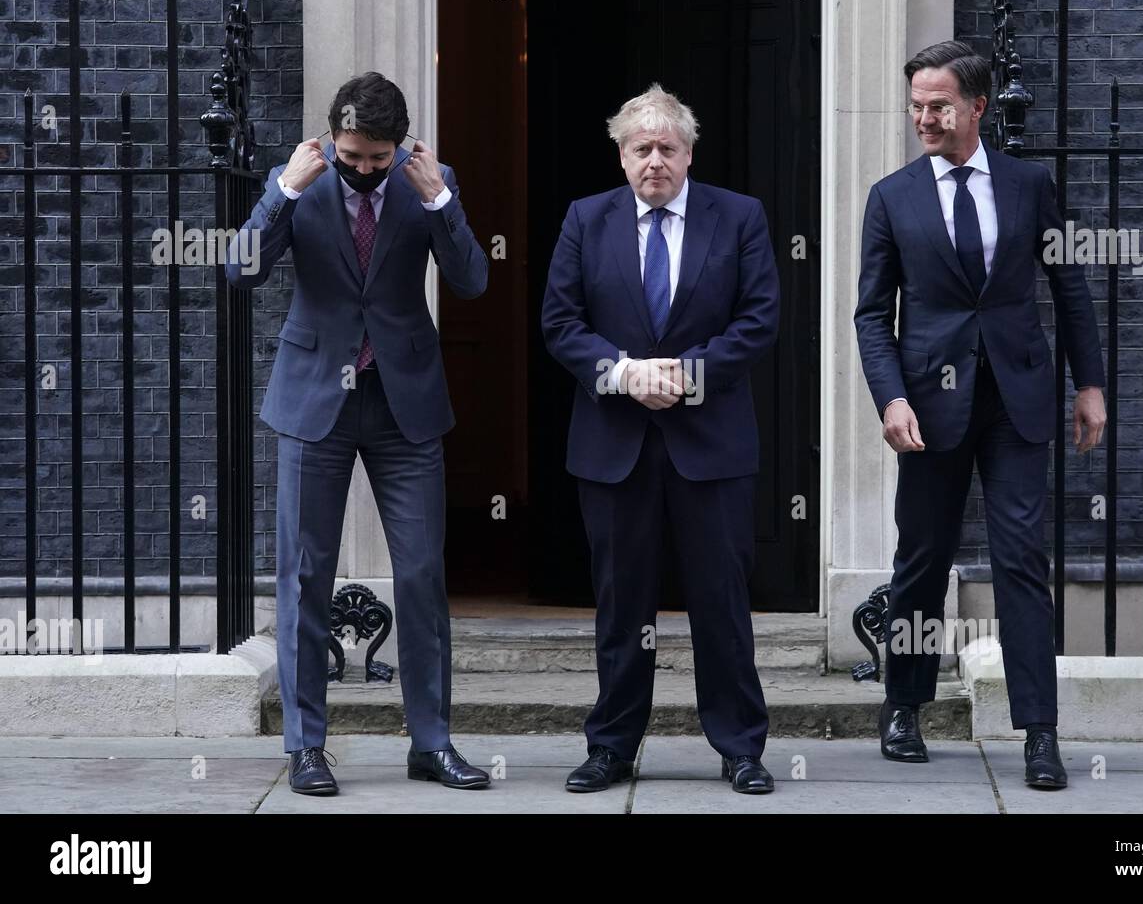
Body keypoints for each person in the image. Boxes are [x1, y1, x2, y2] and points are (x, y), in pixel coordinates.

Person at [224, 72, 491, 795]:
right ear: (331, 139)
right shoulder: (298, 179)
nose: (364, 170)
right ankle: (307, 745)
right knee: (305, 576)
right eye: (352, 155)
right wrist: (281, 193)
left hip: (403, 402)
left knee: (422, 577)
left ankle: (431, 743)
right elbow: (239, 269)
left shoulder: (428, 182)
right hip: (317, 402)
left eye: (377, 158)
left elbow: (471, 280)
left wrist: (440, 197)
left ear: (398, 146)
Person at [855, 41, 1106, 789]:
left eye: (937, 105)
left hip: (1016, 398)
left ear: (977, 107)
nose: (923, 118)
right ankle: (903, 705)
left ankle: (1039, 730)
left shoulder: (1030, 184)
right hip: (928, 402)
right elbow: (872, 315)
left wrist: (1088, 384)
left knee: (1022, 559)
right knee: (922, 559)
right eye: (916, 105)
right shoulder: (890, 196)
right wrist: (891, 396)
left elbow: (1070, 287)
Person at [541, 83, 781, 794]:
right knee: (622, 604)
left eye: (666, 148)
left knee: (721, 601)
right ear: (620, 157)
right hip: (615, 446)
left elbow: (760, 317)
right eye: (640, 148)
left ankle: (740, 747)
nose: (654, 161)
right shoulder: (586, 220)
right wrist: (620, 373)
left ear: (688, 153)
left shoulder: (738, 217)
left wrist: (688, 374)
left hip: (712, 446)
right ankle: (611, 745)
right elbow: (561, 321)